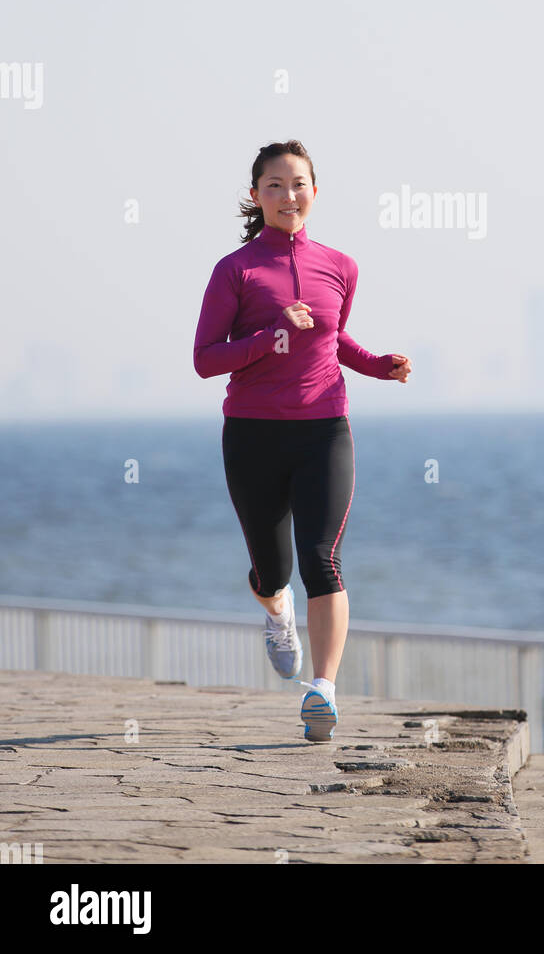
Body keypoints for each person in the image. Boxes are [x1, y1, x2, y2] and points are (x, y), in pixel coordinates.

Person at [193, 139, 411, 741]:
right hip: (253, 435)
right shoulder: (234, 270)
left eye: (299, 184)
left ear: (315, 191)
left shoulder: (341, 265)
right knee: (273, 570)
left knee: (323, 559)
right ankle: (275, 608)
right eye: (275, 186)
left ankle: (324, 690)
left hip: (324, 430)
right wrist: (269, 333)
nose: (289, 196)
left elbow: (332, 339)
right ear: (256, 196)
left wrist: (377, 365)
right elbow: (205, 360)